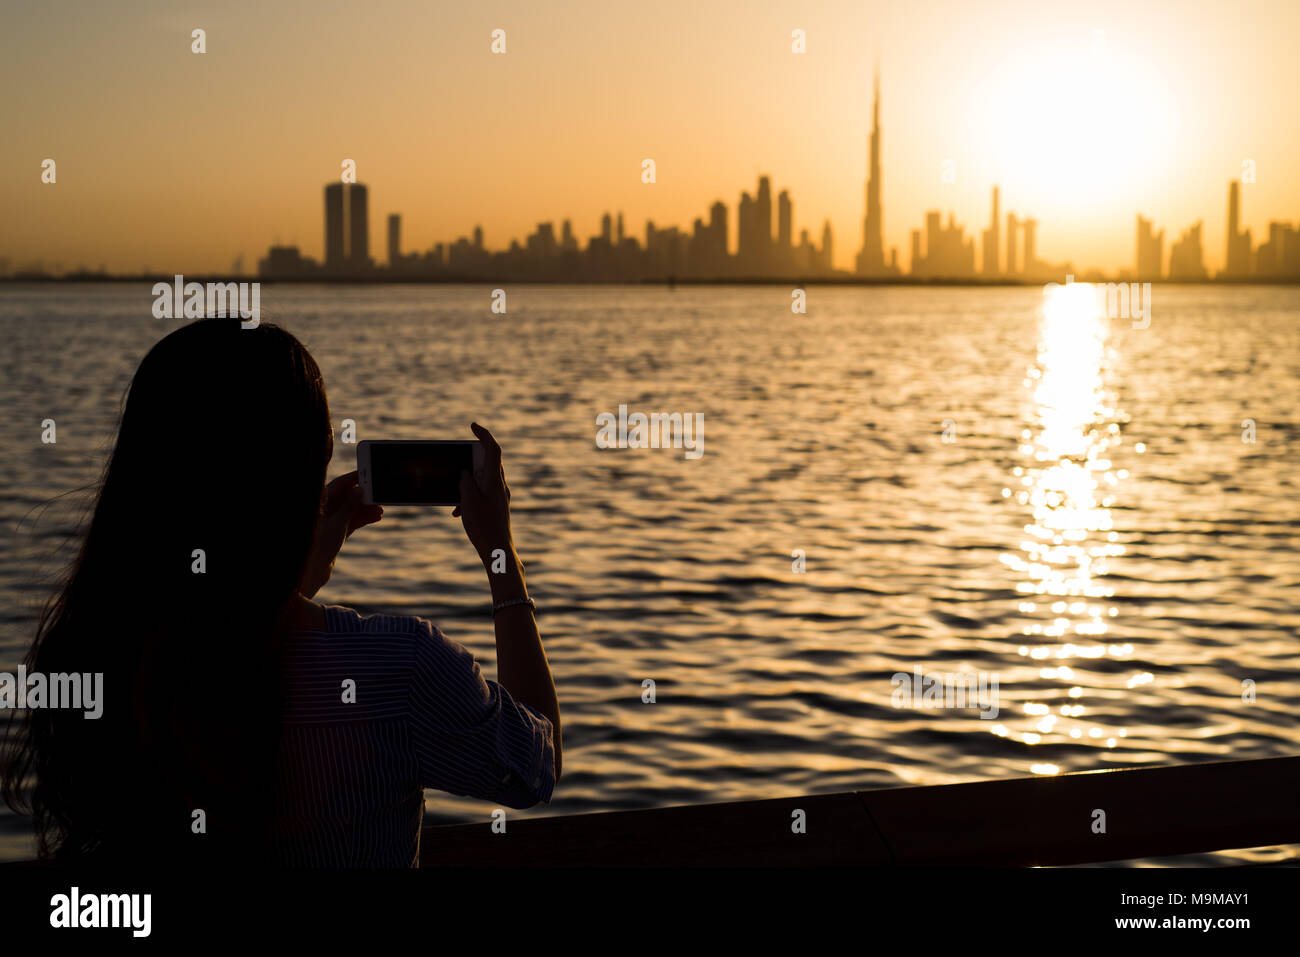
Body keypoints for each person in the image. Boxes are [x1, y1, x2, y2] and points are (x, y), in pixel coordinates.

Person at [1, 318, 561, 867]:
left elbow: (233, 634)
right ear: (303, 479)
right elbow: (535, 765)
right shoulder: (400, 669)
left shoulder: (94, 655)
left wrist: (288, 580)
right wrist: (501, 558)